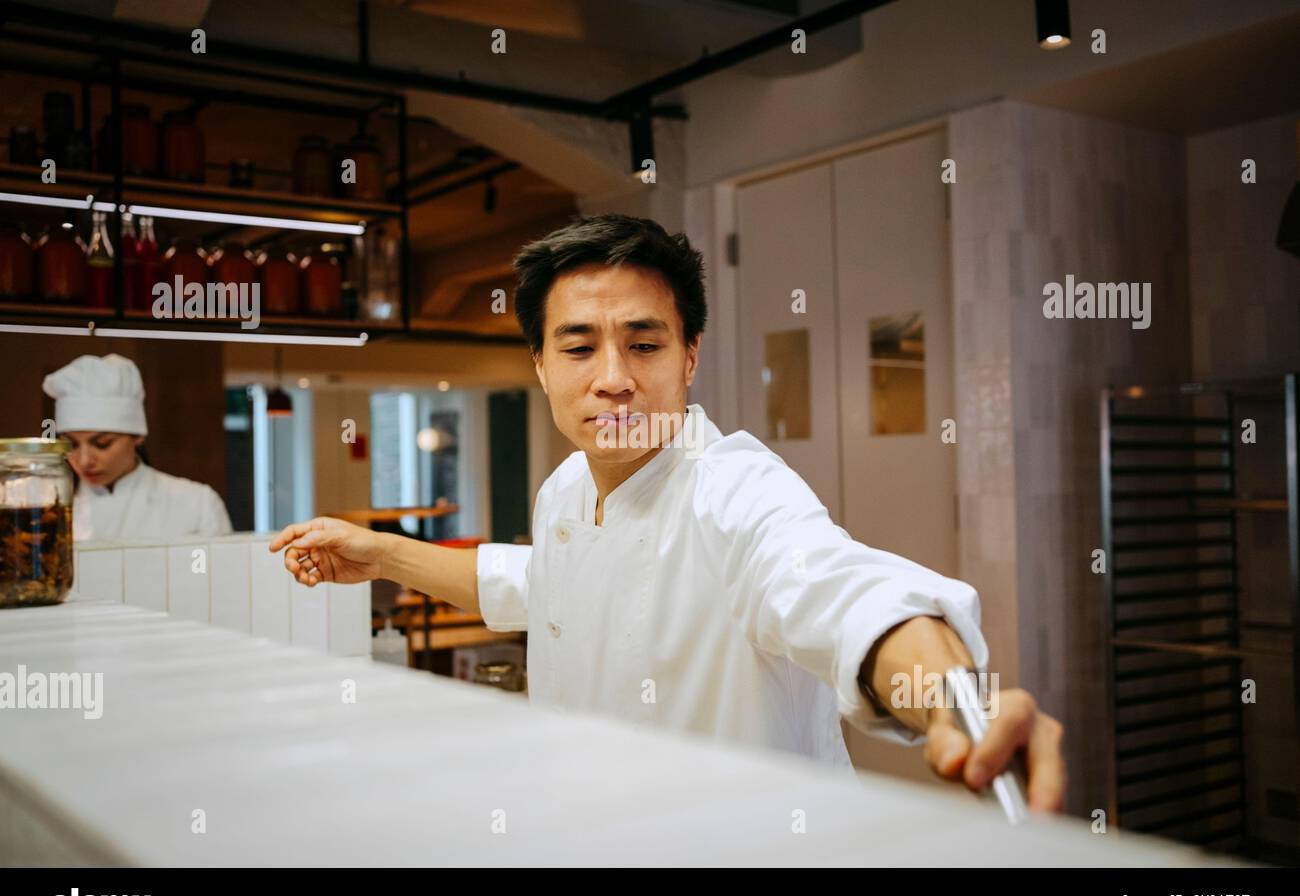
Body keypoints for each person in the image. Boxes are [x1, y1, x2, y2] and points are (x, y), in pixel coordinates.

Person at [271, 214, 1065, 811]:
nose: (613, 378)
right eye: (579, 348)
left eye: (643, 345)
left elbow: (842, 589)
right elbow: (531, 582)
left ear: (689, 356)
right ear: (542, 368)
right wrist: (377, 553)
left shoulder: (736, 489)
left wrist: (956, 700)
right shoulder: (566, 491)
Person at [43, 353, 233, 541]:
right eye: (71, 444)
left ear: (138, 436)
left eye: (102, 444)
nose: (84, 460)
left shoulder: (196, 504)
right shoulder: (45, 510)